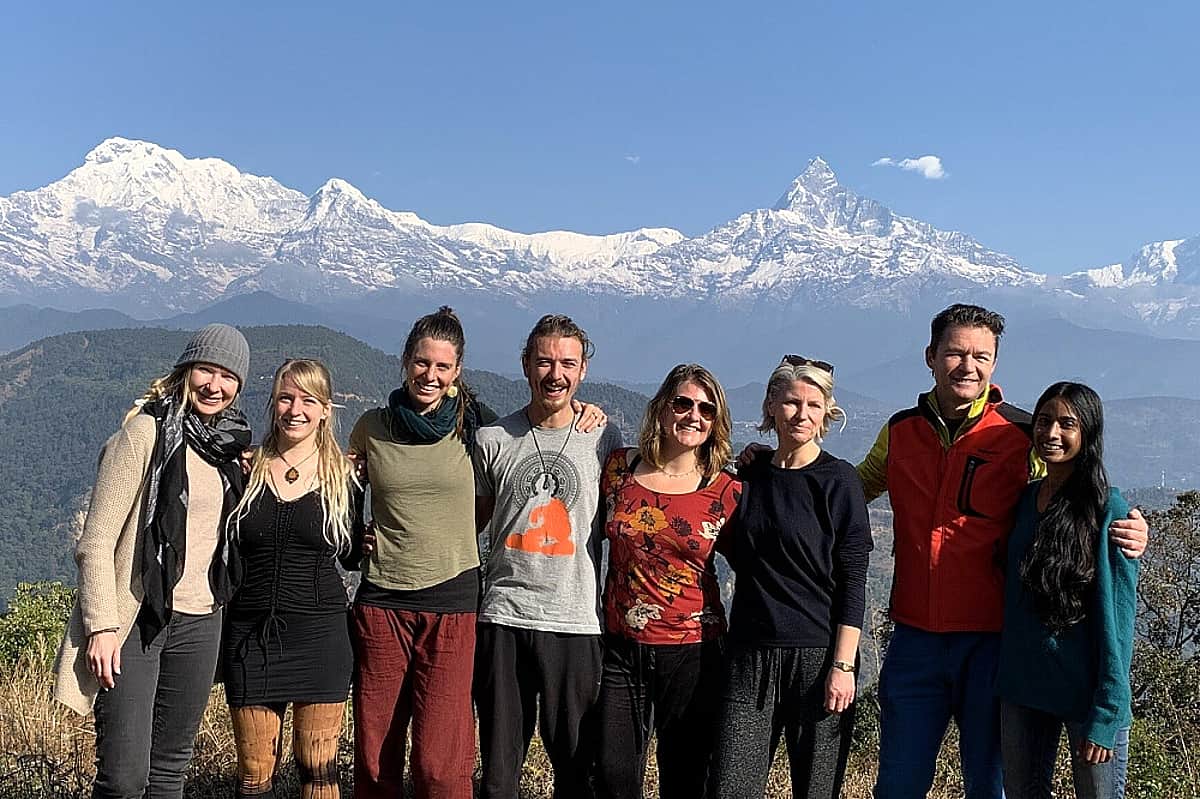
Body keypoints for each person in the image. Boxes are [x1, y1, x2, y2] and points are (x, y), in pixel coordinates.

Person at [855, 304, 1149, 799]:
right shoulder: (900, 430)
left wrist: (1129, 524)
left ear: (994, 364)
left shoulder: (1020, 434)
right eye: (955, 352)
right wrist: (774, 473)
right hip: (914, 639)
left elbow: (1074, 488)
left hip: (994, 643)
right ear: (930, 356)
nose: (967, 366)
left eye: (981, 355)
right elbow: (855, 487)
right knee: (898, 784)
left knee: (990, 786)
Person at [348, 307, 606, 798]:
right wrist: (355, 537)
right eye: (423, 363)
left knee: (443, 766)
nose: (431, 374)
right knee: (378, 753)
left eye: (443, 367)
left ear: (458, 371)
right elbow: (340, 485)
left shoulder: (478, 427)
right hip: (393, 599)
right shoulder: (375, 427)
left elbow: (551, 439)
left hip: (461, 602)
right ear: (405, 361)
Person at [53, 323, 252, 798]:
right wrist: (101, 626)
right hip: (136, 620)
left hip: (201, 620)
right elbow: (96, 540)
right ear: (185, 370)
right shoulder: (144, 434)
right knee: (124, 779)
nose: (215, 385)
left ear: (239, 386)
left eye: (228, 377)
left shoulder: (229, 449)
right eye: (206, 369)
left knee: (169, 771)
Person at [473, 313, 623, 799]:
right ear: (525, 366)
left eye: (567, 363)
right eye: (544, 362)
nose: (555, 374)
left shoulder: (604, 438)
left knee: (576, 767)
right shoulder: (493, 440)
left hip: (575, 620)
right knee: (499, 771)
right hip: (504, 617)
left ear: (582, 372)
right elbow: (469, 521)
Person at [711, 356, 872, 799]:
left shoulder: (839, 481)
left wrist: (842, 665)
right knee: (730, 786)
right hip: (749, 651)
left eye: (814, 405)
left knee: (817, 789)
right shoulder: (749, 477)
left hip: (818, 657)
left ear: (827, 413)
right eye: (790, 402)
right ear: (770, 407)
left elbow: (852, 578)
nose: (802, 414)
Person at [595, 363, 740, 799]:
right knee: (614, 774)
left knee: (686, 776)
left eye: (706, 409)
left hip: (693, 651)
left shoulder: (727, 491)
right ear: (661, 409)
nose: (693, 415)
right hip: (621, 647)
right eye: (683, 403)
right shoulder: (619, 468)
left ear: (716, 423)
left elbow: (759, 563)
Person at [223, 359, 362, 799]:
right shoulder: (245, 469)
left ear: (325, 409)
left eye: (308, 400)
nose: (295, 409)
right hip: (251, 635)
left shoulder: (345, 475)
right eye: (286, 398)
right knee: (252, 773)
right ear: (273, 404)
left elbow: (355, 554)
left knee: (318, 770)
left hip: (321, 638)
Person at [996, 382, 1137, 799]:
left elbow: (1119, 619)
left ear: (1088, 435)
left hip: (1087, 696)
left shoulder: (1107, 509)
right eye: (1043, 421)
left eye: (1066, 424)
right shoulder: (1025, 501)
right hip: (1023, 689)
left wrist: (1108, 711)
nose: (1051, 433)